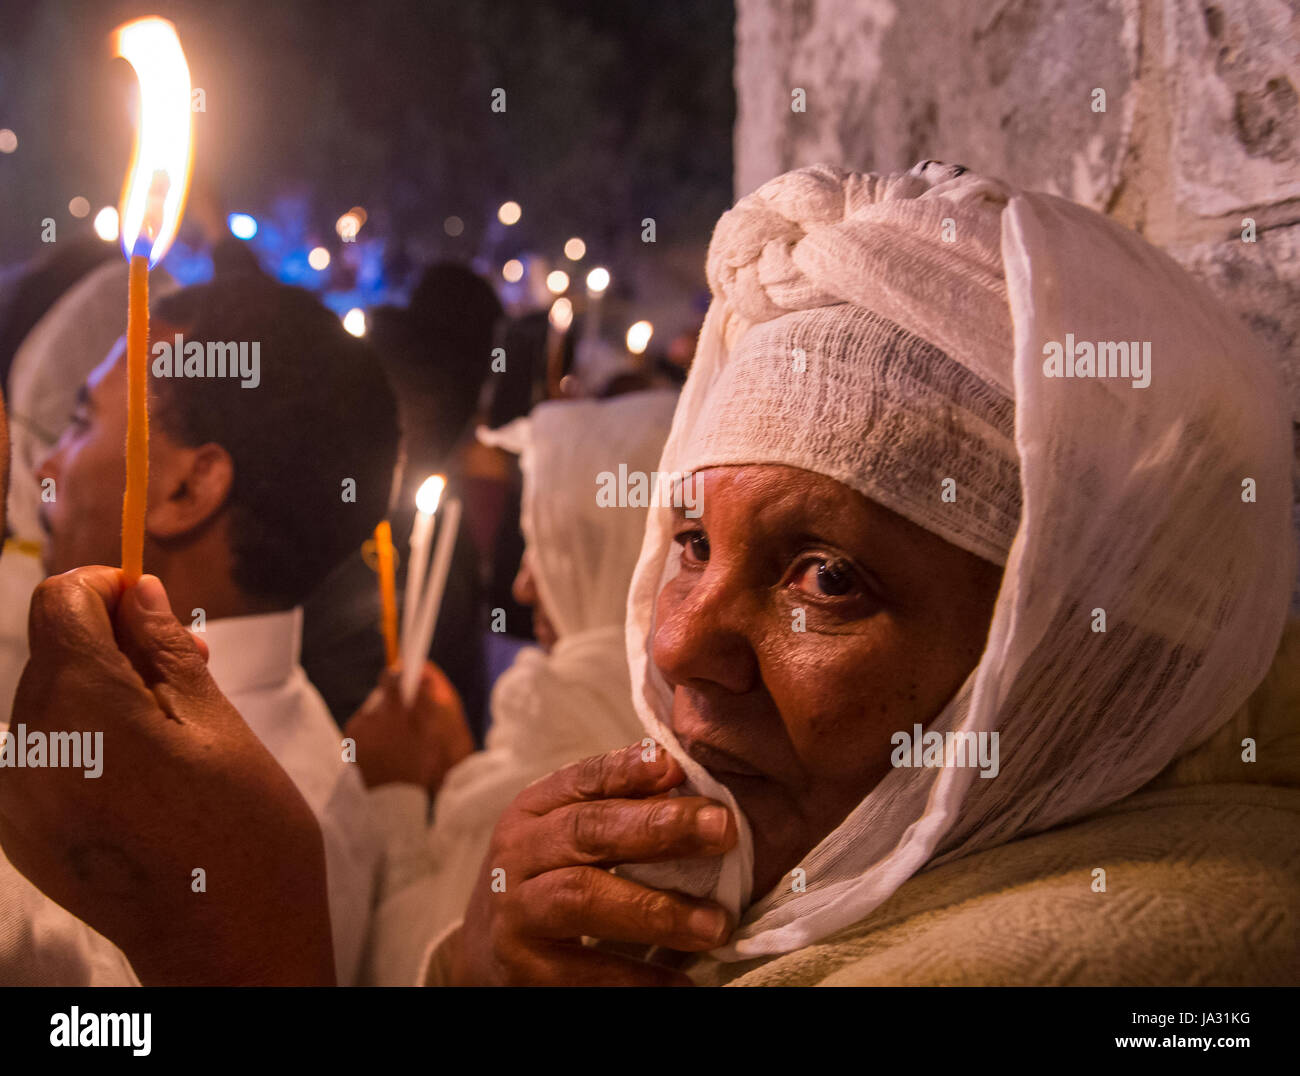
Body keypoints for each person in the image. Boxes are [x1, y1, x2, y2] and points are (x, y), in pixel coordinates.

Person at [4, 161, 1298, 987]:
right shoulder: (746, 895)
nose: (682, 644)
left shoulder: (1112, 953)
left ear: (1050, 666)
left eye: (827, 578)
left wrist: (249, 936)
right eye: (688, 544)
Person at [30, 276, 400, 985]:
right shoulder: (107, 695)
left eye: (80, 424)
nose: (47, 465)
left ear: (185, 490)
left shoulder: (260, 822)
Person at [347, 388, 679, 984]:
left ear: (637, 554)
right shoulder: (567, 712)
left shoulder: (599, 775)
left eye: (561, 551)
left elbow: (405, 969)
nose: (525, 589)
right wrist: (454, 769)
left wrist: (394, 797)